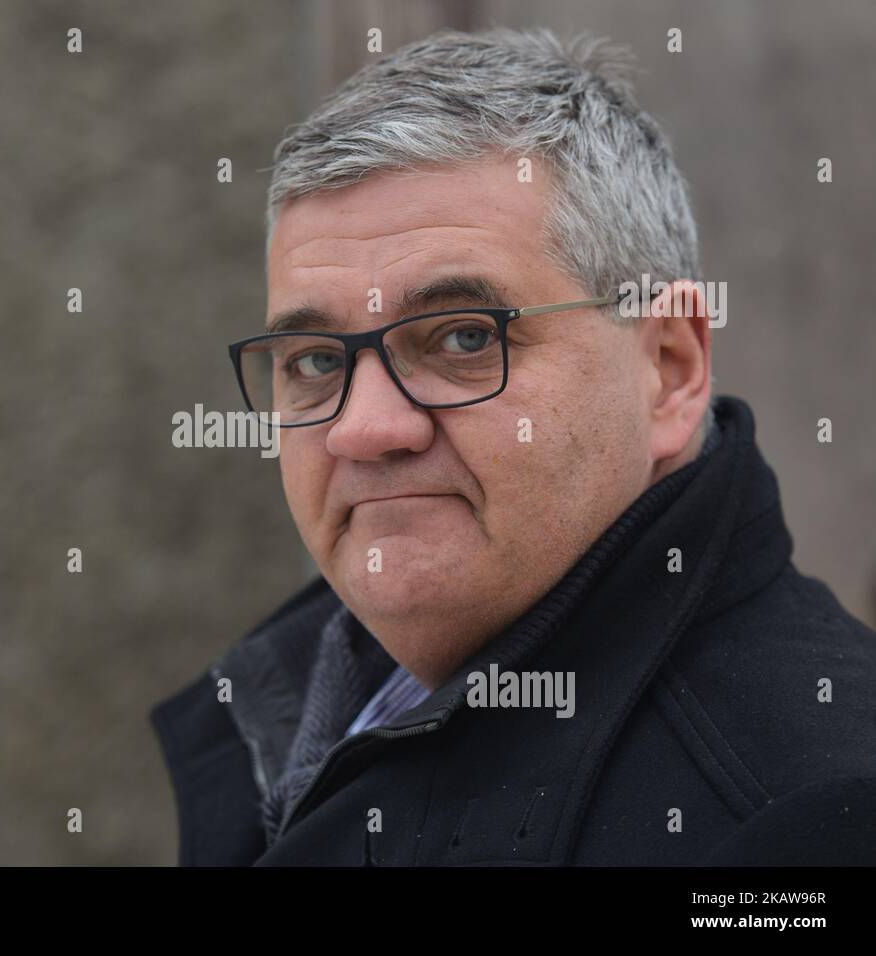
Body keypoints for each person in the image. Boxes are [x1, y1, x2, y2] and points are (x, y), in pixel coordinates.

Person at [149, 27, 876, 865]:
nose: (365, 427)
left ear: (669, 367)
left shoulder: (809, 813)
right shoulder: (291, 704)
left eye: (462, 339)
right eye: (315, 362)